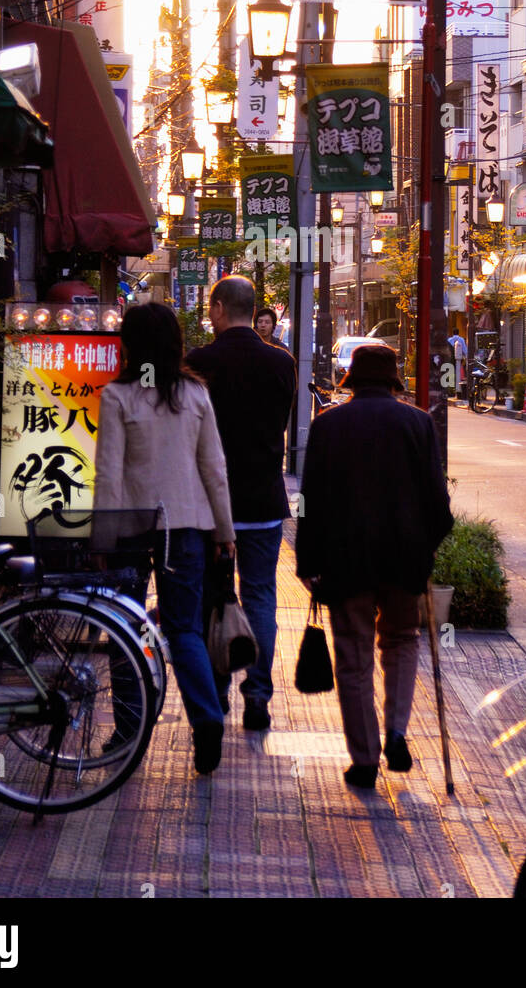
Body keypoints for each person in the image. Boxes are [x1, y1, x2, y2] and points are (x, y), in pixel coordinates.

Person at [295, 343, 452, 790]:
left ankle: (364, 758)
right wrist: (427, 549)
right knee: (402, 641)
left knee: (354, 654)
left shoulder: (327, 425)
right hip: (404, 559)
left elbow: (309, 503)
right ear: (392, 381)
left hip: (345, 559)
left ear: (351, 380)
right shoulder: (418, 423)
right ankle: (397, 730)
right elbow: (438, 505)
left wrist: (308, 561)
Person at [93, 302, 235, 776]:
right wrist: (225, 531)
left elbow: (109, 474)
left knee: (121, 628)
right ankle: (207, 717)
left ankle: (128, 732)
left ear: (130, 346)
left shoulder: (118, 397)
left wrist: (102, 536)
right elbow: (214, 468)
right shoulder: (195, 394)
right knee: (184, 628)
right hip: (189, 527)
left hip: (131, 528)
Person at [186, 275, 297, 731]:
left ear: (216, 309)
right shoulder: (281, 362)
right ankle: (258, 696)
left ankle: (217, 694)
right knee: (260, 598)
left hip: (210, 507)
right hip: (265, 501)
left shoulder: (198, 363)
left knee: (213, 600)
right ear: (253, 312)